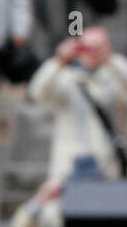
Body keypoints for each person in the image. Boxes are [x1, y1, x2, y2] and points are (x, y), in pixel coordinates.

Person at [28, 27, 127, 183]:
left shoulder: (112, 78)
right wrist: (58, 61)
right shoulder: (66, 78)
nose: (93, 53)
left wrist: (112, 60)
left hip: (107, 162)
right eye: (88, 48)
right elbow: (37, 92)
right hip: (69, 164)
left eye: (99, 48)